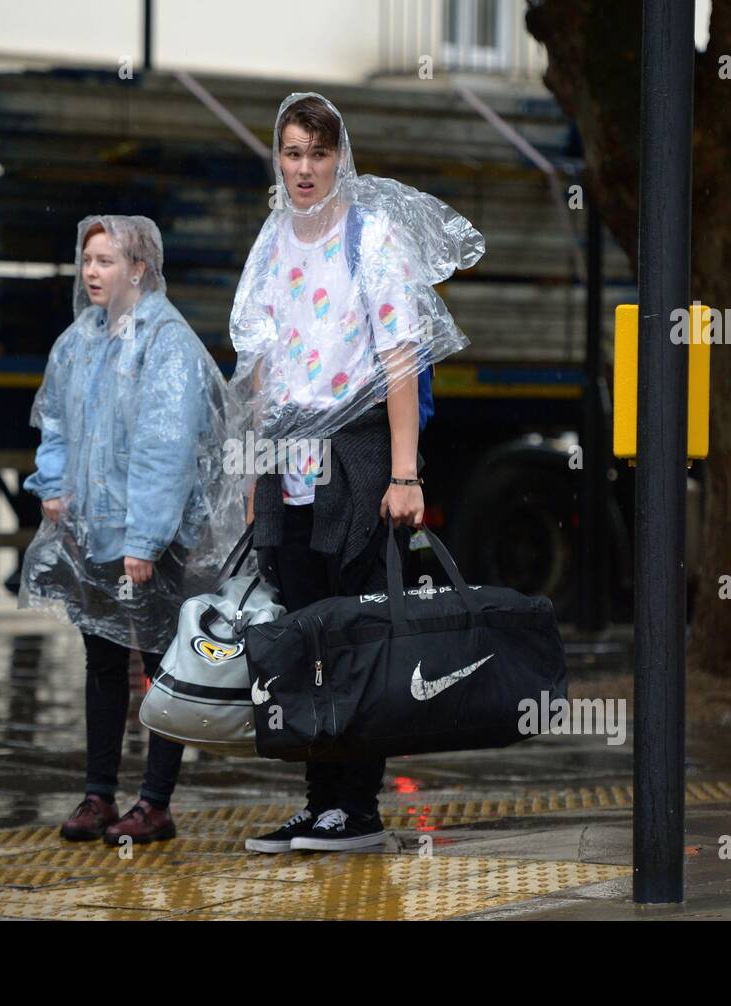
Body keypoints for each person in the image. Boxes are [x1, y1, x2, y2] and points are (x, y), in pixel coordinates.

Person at [229, 93, 484, 853]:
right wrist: (253, 471)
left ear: (342, 157)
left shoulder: (370, 239)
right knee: (304, 636)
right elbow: (259, 367)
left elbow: (401, 358)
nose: (305, 168)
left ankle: (358, 806)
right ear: (278, 158)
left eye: (319, 152)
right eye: (292, 152)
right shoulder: (273, 241)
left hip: (359, 456)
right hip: (289, 465)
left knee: (360, 636)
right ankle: (319, 802)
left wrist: (406, 474)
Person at [20, 214, 241, 846]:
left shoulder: (164, 343)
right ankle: (97, 794)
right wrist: (55, 486)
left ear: (139, 268)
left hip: (154, 540)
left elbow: (163, 447)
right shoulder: (80, 340)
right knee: (101, 656)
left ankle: (156, 802)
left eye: (106, 260)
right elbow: (56, 419)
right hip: (95, 534)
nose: (92, 272)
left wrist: (144, 540)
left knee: (161, 663)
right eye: (87, 260)